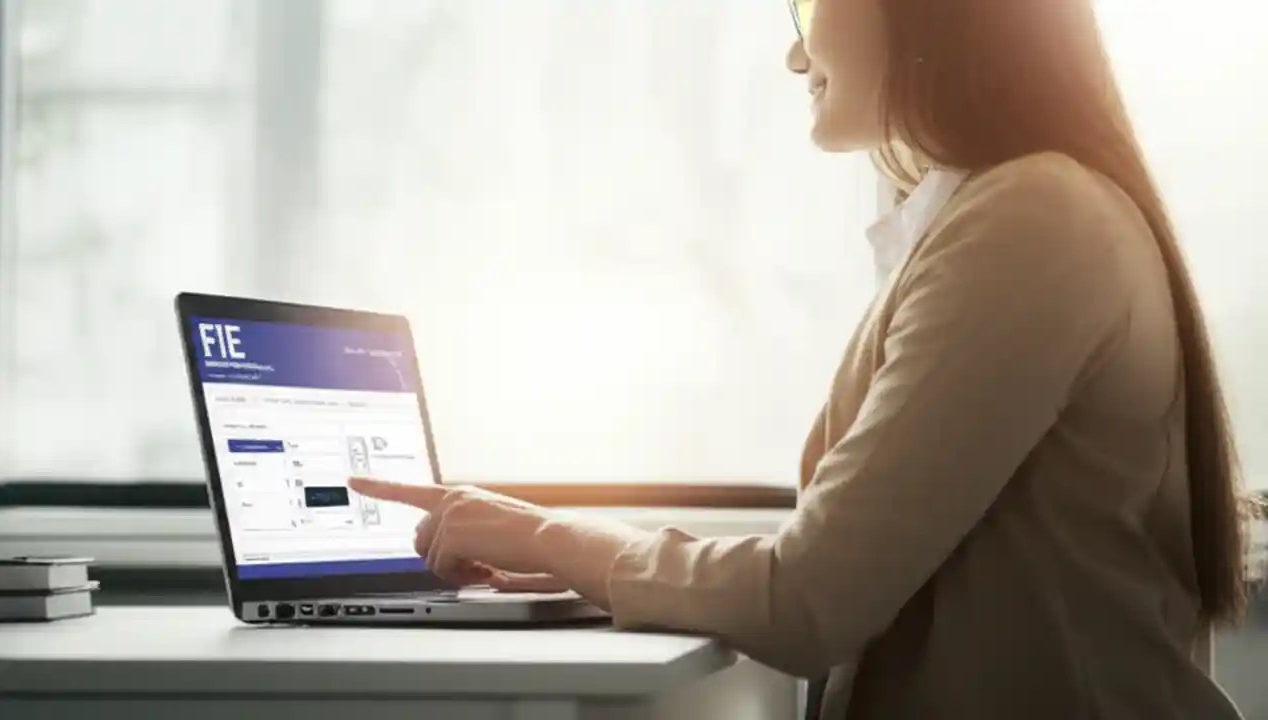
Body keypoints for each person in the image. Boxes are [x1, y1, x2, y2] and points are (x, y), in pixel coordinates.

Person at [349, 0, 1252, 717]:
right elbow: (841, 562)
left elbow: (809, 601)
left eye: (807, 6)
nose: (793, 56)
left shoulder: (1032, 221)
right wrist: (582, 563)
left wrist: (543, 532)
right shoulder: (1002, 215)